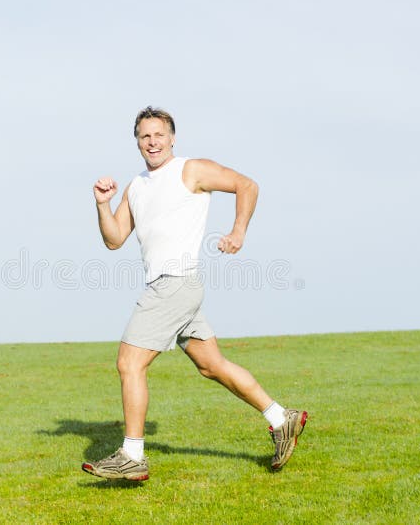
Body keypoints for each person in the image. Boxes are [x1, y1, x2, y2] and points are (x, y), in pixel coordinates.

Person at [82, 106, 307, 481]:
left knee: (129, 363)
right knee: (211, 365)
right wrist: (102, 204)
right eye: (144, 136)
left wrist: (238, 232)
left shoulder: (190, 170)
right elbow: (114, 239)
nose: (152, 142)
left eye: (159, 134)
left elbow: (246, 185)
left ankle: (132, 456)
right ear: (137, 142)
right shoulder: (137, 186)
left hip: (176, 283)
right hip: (169, 286)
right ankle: (282, 418)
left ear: (172, 138)